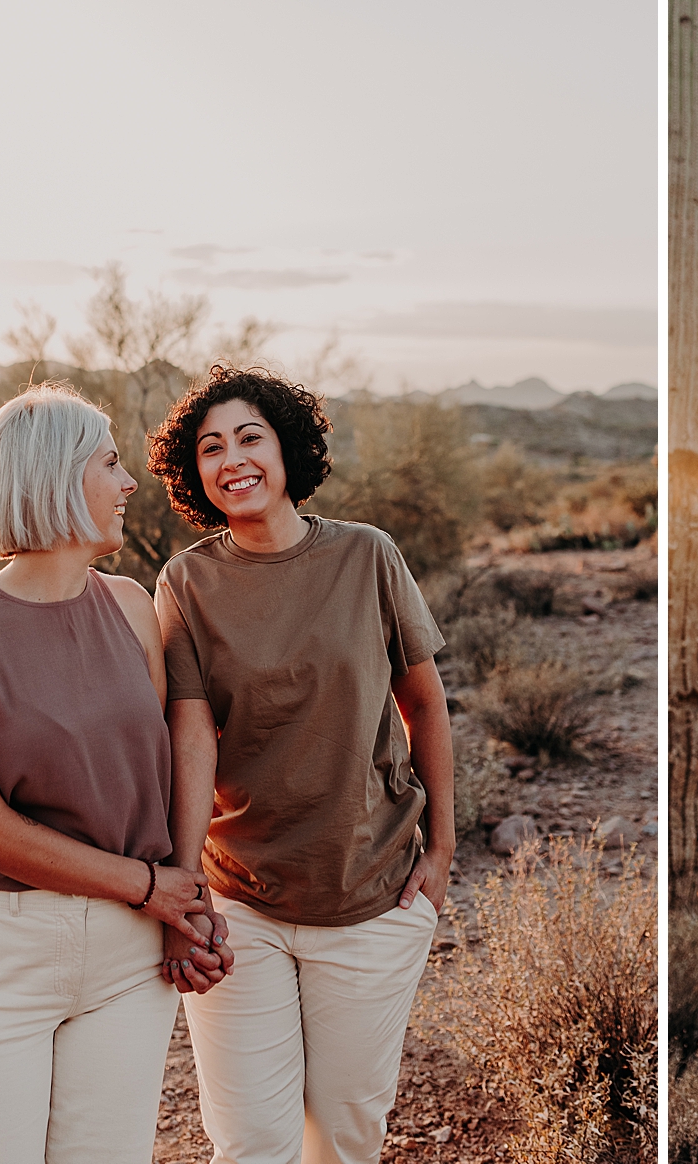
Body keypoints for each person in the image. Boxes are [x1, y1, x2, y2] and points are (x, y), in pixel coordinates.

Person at [0, 384, 229, 1164]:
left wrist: (186, 899)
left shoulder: (130, 607)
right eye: (111, 463)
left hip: (127, 955)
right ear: (55, 477)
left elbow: (163, 766)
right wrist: (151, 888)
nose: (129, 484)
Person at [147, 365, 455, 1164]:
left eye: (250, 437)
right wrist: (186, 894)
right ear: (195, 473)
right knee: (254, 1141)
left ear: (287, 449)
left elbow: (424, 702)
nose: (232, 459)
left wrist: (444, 849)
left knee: (345, 1134)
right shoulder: (186, 583)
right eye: (211, 447)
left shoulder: (367, 557)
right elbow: (191, 738)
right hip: (239, 897)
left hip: (372, 892)